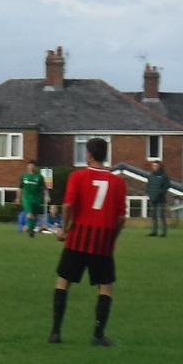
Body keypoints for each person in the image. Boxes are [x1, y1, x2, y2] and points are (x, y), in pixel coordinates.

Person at [49, 137, 126, 346]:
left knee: (64, 280)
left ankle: (55, 332)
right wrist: (113, 238)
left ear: (89, 155)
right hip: (102, 241)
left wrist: (64, 229)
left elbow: (67, 206)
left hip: (77, 239)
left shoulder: (77, 176)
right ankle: (98, 335)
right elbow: (121, 218)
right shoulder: (118, 182)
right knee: (105, 286)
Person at [19, 160, 44, 237]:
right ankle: (30, 230)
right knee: (29, 214)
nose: (30, 167)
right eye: (29, 166)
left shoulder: (39, 177)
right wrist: (18, 198)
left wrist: (46, 196)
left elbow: (43, 188)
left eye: (32, 166)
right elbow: (20, 188)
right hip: (27, 198)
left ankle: (31, 230)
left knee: (34, 216)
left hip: (36, 198)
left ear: (35, 167)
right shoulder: (24, 176)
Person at [146, 159, 170, 237]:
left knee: (161, 216)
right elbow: (148, 186)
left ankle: (163, 232)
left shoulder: (164, 176)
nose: (154, 167)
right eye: (153, 166)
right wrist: (149, 194)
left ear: (159, 166)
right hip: (152, 199)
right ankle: (154, 231)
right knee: (153, 216)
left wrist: (160, 194)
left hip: (160, 199)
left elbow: (166, 186)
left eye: (156, 166)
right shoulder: (151, 176)